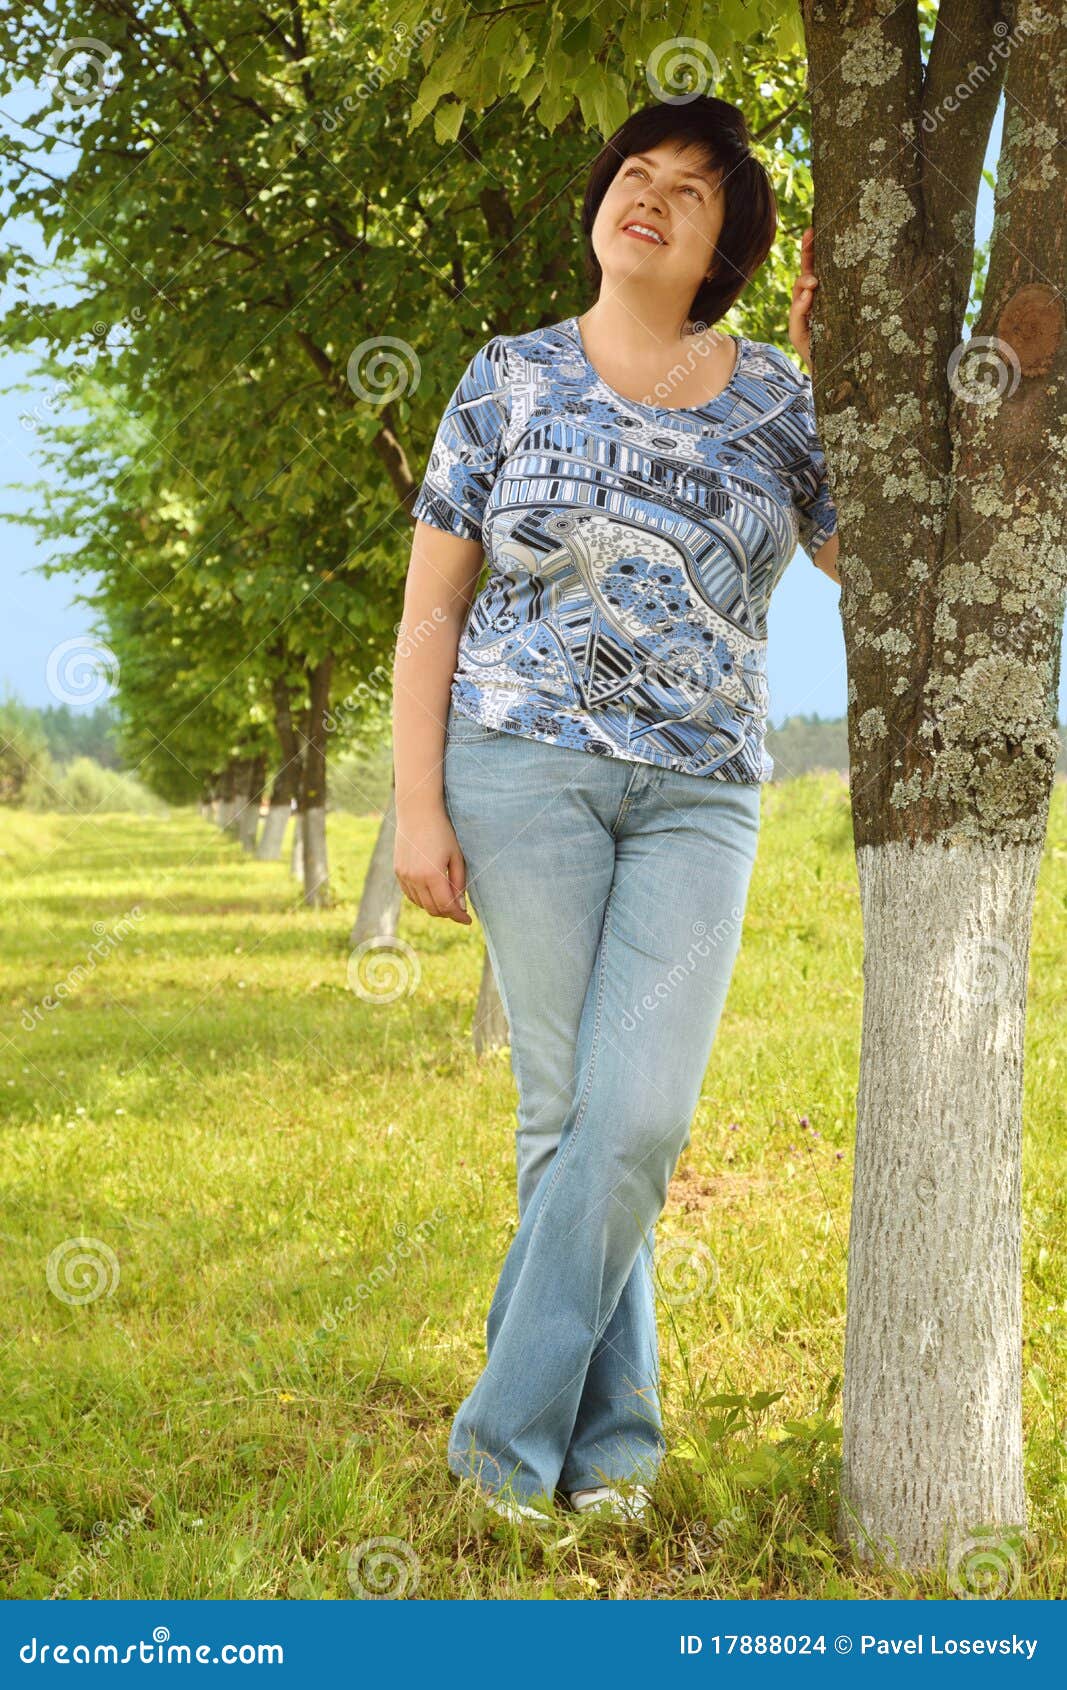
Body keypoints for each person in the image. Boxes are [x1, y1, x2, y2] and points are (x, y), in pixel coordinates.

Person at [391, 94, 840, 1527]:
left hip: (702, 792)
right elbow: (430, 606)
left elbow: (872, 559)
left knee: (633, 1115)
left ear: (725, 251)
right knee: (568, 1113)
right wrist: (416, 805)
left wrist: (847, 375)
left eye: (690, 191)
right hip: (518, 767)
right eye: (634, 174)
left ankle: (499, 1437)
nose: (649, 196)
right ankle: (609, 1453)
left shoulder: (778, 397)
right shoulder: (508, 376)